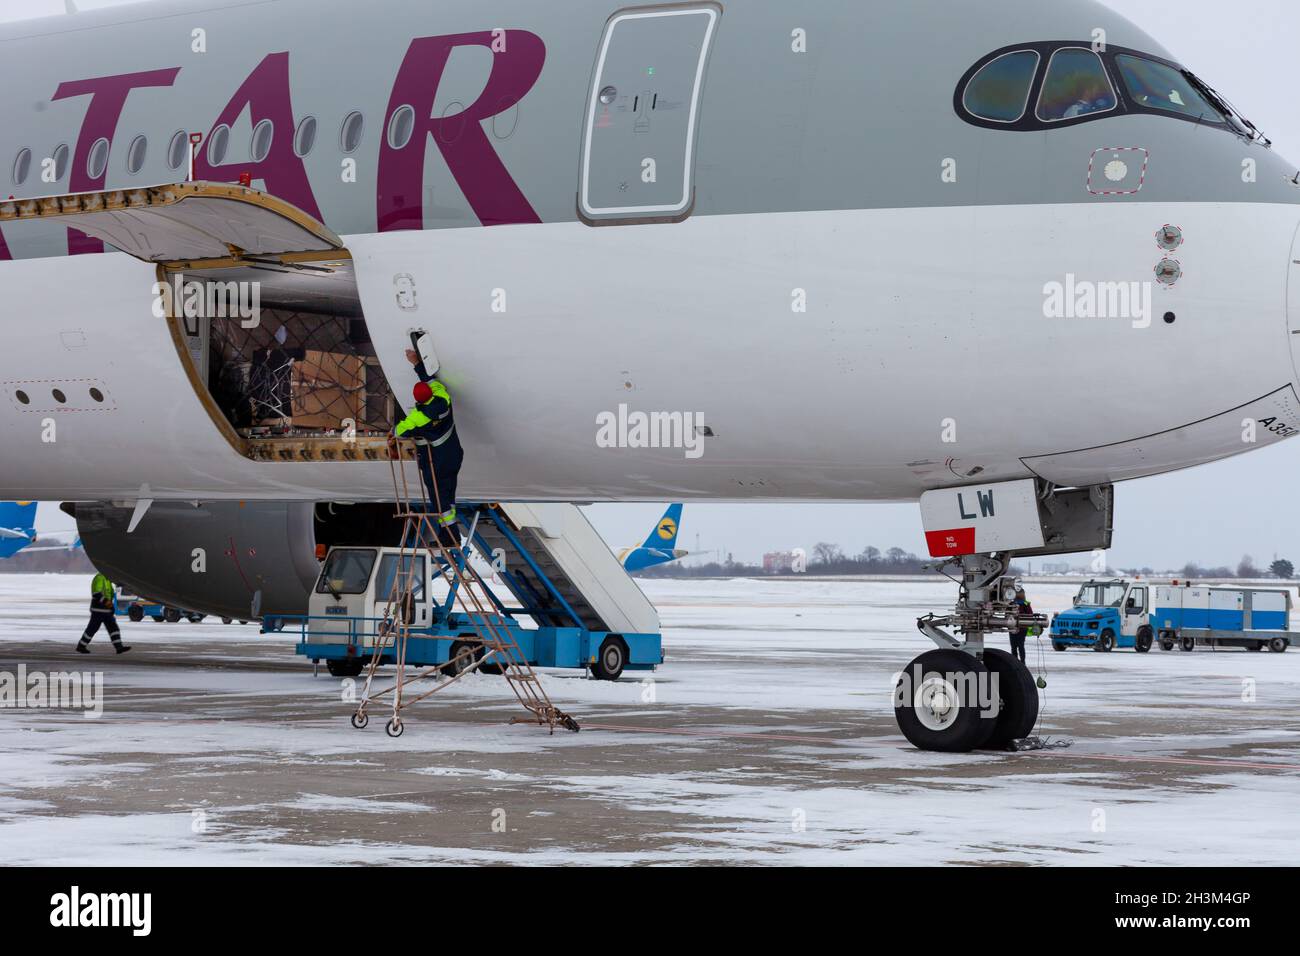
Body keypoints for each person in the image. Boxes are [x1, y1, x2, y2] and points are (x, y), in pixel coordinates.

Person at [390, 348, 463, 547]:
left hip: (436, 462)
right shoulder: (442, 398)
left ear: (418, 400)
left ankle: (452, 535)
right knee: (448, 495)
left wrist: (392, 431)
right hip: (454, 455)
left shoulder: (418, 416)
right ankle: (446, 533)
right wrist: (416, 363)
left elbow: (398, 431)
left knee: (439, 498)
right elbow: (430, 380)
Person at [76, 571, 131, 655]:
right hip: (99, 610)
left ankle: (119, 647)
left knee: (113, 628)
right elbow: (96, 594)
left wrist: (111, 606)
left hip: (106, 610)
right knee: (92, 628)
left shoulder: (107, 579)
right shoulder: (100, 578)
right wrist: (108, 603)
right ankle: (81, 646)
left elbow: (110, 594)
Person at [1008, 586, 1033, 663]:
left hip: (1014, 627)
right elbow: (1030, 614)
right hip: (1022, 628)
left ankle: (1015, 662)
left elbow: (1007, 614)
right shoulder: (1025, 604)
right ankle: (1022, 662)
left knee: (1014, 647)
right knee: (1020, 646)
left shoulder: (1011, 604)